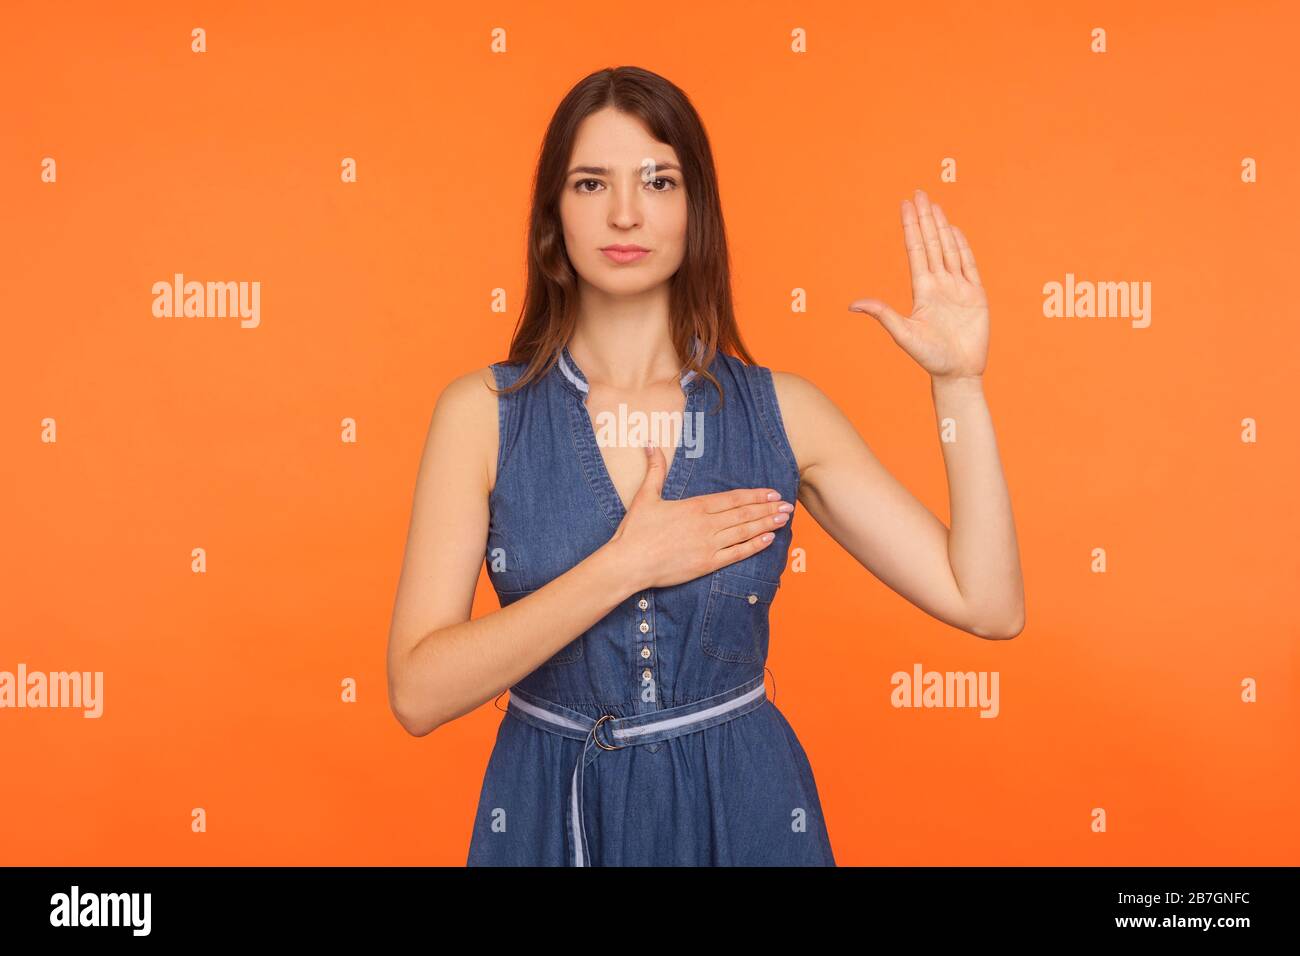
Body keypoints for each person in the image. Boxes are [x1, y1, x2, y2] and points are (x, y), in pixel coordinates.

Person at [386, 66, 1025, 866]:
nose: (625, 212)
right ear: (553, 213)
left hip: (745, 813)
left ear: (696, 211)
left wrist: (958, 386)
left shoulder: (783, 411)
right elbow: (417, 693)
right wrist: (625, 565)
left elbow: (988, 604)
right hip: (549, 816)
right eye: (591, 183)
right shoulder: (481, 414)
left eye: (658, 180)